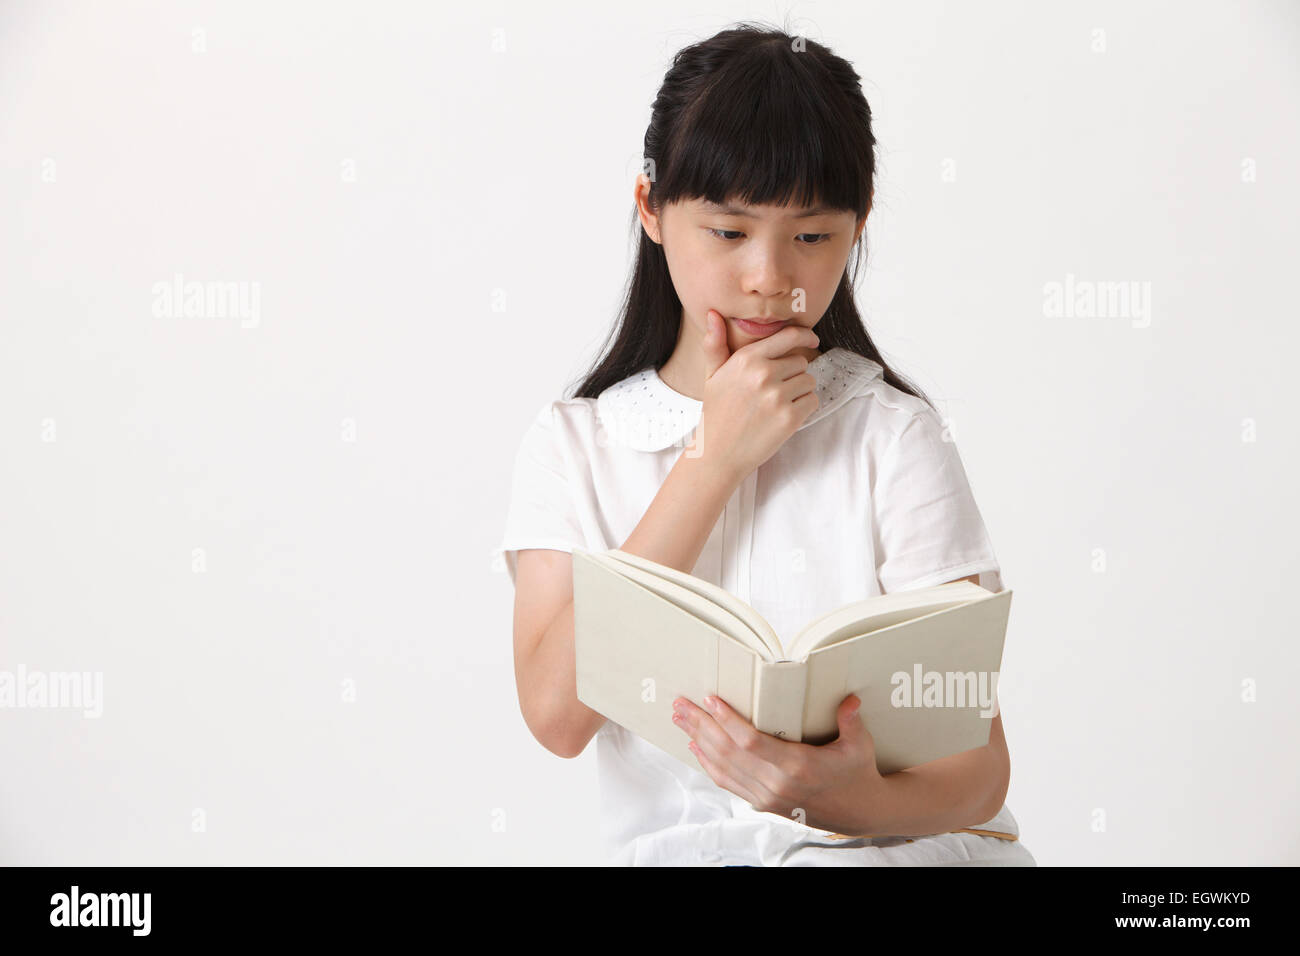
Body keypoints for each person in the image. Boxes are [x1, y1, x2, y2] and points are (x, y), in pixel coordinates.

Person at [494, 21, 1036, 867]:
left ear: (855, 230)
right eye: (728, 231)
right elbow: (557, 716)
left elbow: (979, 768)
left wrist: (856, 800)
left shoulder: (892, 436)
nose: (770, 276)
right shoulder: (575, 445)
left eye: (812, 237)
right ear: (651, 209)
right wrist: (713, 459)